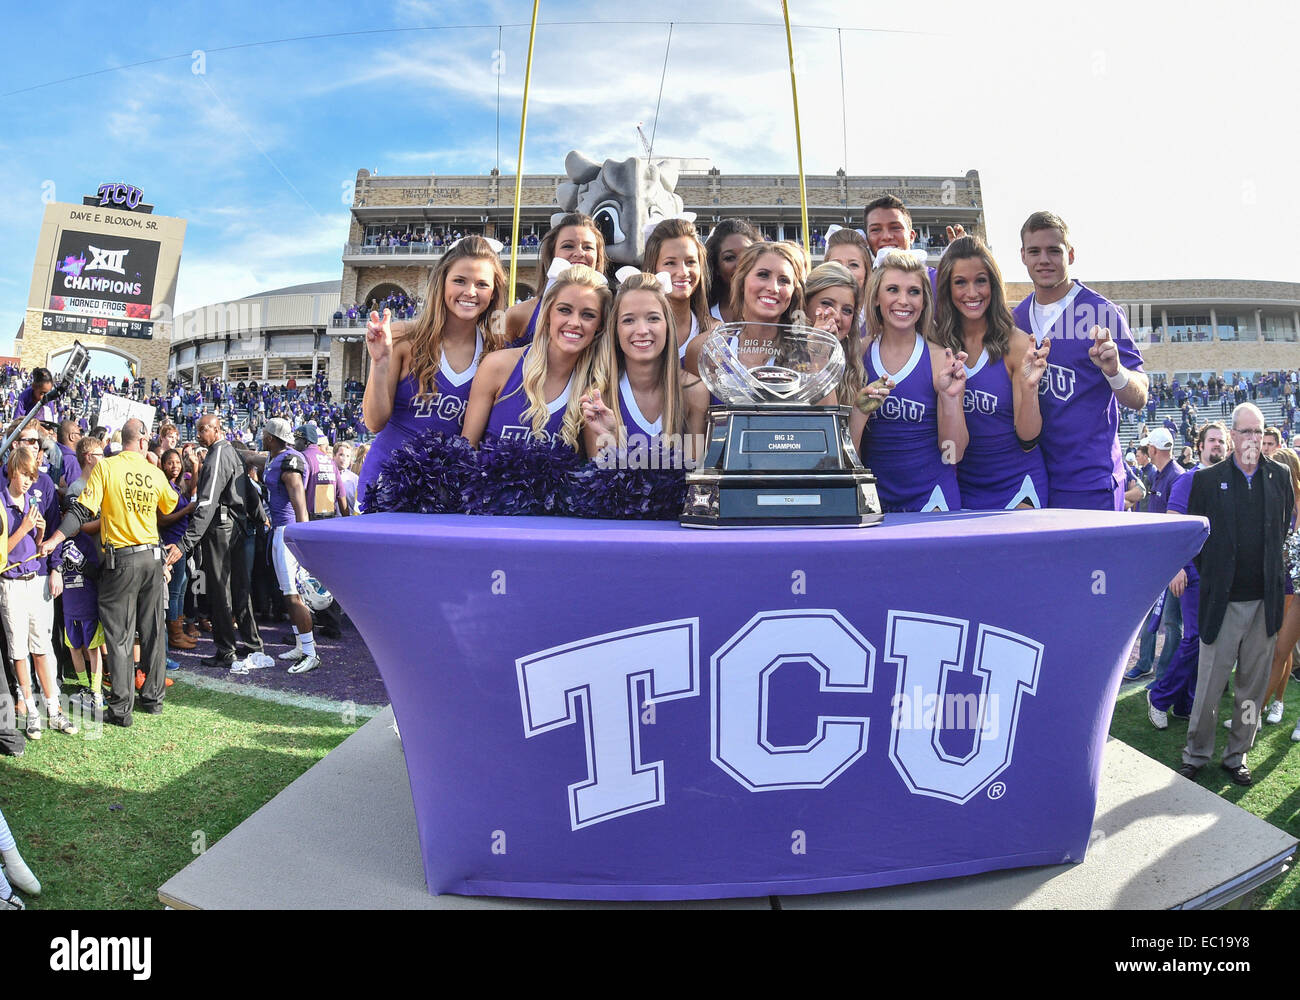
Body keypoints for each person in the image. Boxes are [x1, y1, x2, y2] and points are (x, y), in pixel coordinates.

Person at [1178, 404, 1294, 786]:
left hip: (1265, 603)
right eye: (1245, 432)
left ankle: (1237, 754)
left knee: (1251, 688)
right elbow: (1195, 538)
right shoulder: (1208, 480)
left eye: (1257, 432)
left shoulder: (1279, 477)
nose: (1252, 439)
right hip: (1223, 603)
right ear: (1233, 436)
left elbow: (1282, 527)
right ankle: (1197, 753)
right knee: (1211, 685)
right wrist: (1212, 573)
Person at [38, 418, 177, 727]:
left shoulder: (107, 468)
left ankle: (121, 709)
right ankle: (153, 701)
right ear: (143, 442)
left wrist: (56, 538)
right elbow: (170, 508)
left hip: (121, 560)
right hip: (152, 557)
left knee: (119, 635)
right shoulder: (154, 472)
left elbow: (81, 511)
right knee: (154, 631)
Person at [1012, 211, 1149, 510]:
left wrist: (1115, 372)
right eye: (1034, 251)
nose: (1043, 260)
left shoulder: (1102, 312)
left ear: (1070, 254)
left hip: (1089, 479)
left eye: (1054, 250)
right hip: (1030, 478)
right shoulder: (1016, 319)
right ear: (1023, 256)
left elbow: (1140, 396)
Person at [357, 236, 505, 511]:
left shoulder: (496, 352)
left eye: (482, 284)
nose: (470, 292)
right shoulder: (403, 336)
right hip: (385, 485)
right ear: (442, 282)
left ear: (494, 292)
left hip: (446, 495)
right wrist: (380, 362)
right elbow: (374, 422)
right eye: (460, 280)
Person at [933, 236, 1049, 510]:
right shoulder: (939, 347)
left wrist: (1029, 388)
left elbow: (1028, 437)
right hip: (963, 486)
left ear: (993, 285)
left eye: (981, 281)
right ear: (947, 288)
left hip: (1018, 484)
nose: (972, 293)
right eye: (960, 282)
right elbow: (949, 451)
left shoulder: (1018, 343)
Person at [854, 248, 968, 512]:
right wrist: (859, 413)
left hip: (933, 499)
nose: (903, 300)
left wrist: (950, 400)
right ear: (876, 298)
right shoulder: (858, 354)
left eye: (913, 292)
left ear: (925, 301)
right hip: (875, 501)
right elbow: (848, 450)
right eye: (892, 289)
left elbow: (954, 454)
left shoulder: (940, 358)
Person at [463, 263, 611, 453]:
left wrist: (608, 437)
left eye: (588, 315)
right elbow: (466, 450)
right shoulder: (497, 366)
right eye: (564, 310)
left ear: (600, 324)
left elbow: (600, 473)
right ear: (548, 313)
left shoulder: (595, 390)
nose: (574, 323)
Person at [579, 271, 709, 462]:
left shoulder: (694, 391)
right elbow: (600, 486)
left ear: (667, 326)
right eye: (629, 320)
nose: (641, 330)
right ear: (616, 330)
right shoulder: (600, 396)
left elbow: (697, 479)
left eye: (653, 318)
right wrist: (611, 439)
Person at [172, 414, 264, 670]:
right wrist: (259, 516)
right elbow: (246, 486)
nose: (199, 434)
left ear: (216, 430)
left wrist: (184, 544)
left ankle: (226, 650)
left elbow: (206, 502)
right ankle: (252, 644)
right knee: (240, 589)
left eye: (203, 430)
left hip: (221, 529)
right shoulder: (233, 452)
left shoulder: (216, 456)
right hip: (238, 526)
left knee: (220, 590)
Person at [3, 448, 75, 738]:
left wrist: (40, 534)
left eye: (32, 477)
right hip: (10, 583)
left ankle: (53, 708)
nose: (27, 483)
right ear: (12, 470)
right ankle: (31, 711)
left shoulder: (32, 501)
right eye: (24, 475)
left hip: (36, 580)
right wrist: (24, 528)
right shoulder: (2, 504)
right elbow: (2, 552)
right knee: (19, 652)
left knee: (42, 647)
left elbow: (36, 547)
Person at [262, 418, 321, 673]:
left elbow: (299, 503)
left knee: (293, 595)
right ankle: (301, 644)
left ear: (272, 438)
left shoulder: (289, 462)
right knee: (288, 593)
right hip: (281, 530)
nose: (261, 437)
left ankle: (310, 653)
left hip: (288, 532)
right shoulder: (276, 457)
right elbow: (255, 458)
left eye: (265, 433)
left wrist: (301, 539)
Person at [1125, 428, 1184, 681]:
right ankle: (1147, 663)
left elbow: (1177, 527)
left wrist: (1177, 564)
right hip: (1157, 557)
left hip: (1171, 561)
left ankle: (1165, 675)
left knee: (1171, 622)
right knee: (1150, 614)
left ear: (1153, 450)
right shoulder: (1161, 475)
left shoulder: (1176, 477)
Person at [504, 214, 607, 347]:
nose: (579, 253)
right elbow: (491, 354)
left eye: (588, 247)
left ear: (598, 257)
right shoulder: (515, 314)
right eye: (568, 246)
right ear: (552, 254)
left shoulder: (609, 313)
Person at [641, 217, 717, 360]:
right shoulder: (635, 333)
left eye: (690, 262)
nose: (683, 272)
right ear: (652, 267)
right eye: (670, 263)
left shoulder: (717, 334)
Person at [704, 219, 760, 324]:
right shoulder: (701, 316)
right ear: (716, 267)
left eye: (747, 255)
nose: (741, 264)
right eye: (729, 258)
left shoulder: (774, 310)